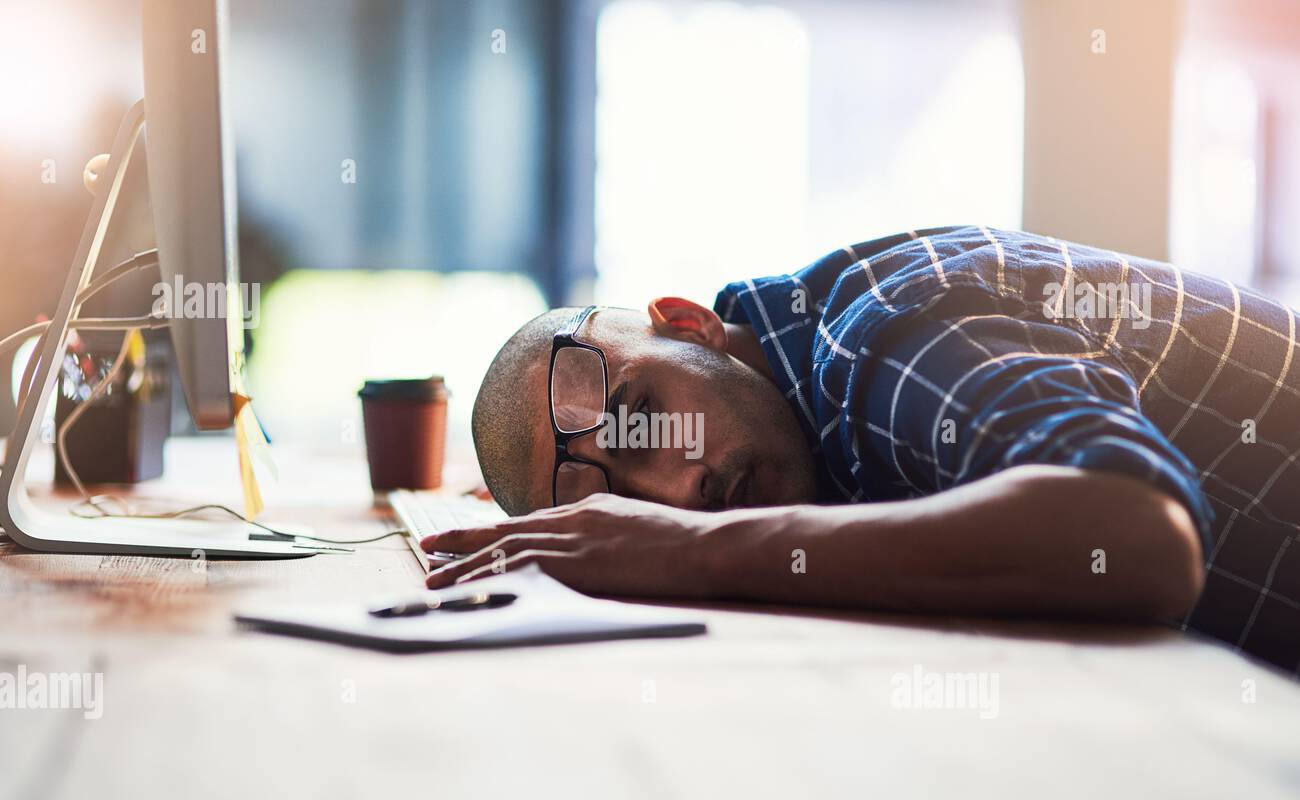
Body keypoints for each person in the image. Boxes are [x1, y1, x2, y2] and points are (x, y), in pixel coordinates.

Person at [427, 226, 1299, 673]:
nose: (684, 482)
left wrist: (690, 552)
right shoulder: (803, 392)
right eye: (626, 498)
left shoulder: (881, 342)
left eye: (645, 414)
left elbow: (1142, 539)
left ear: (690, 325)